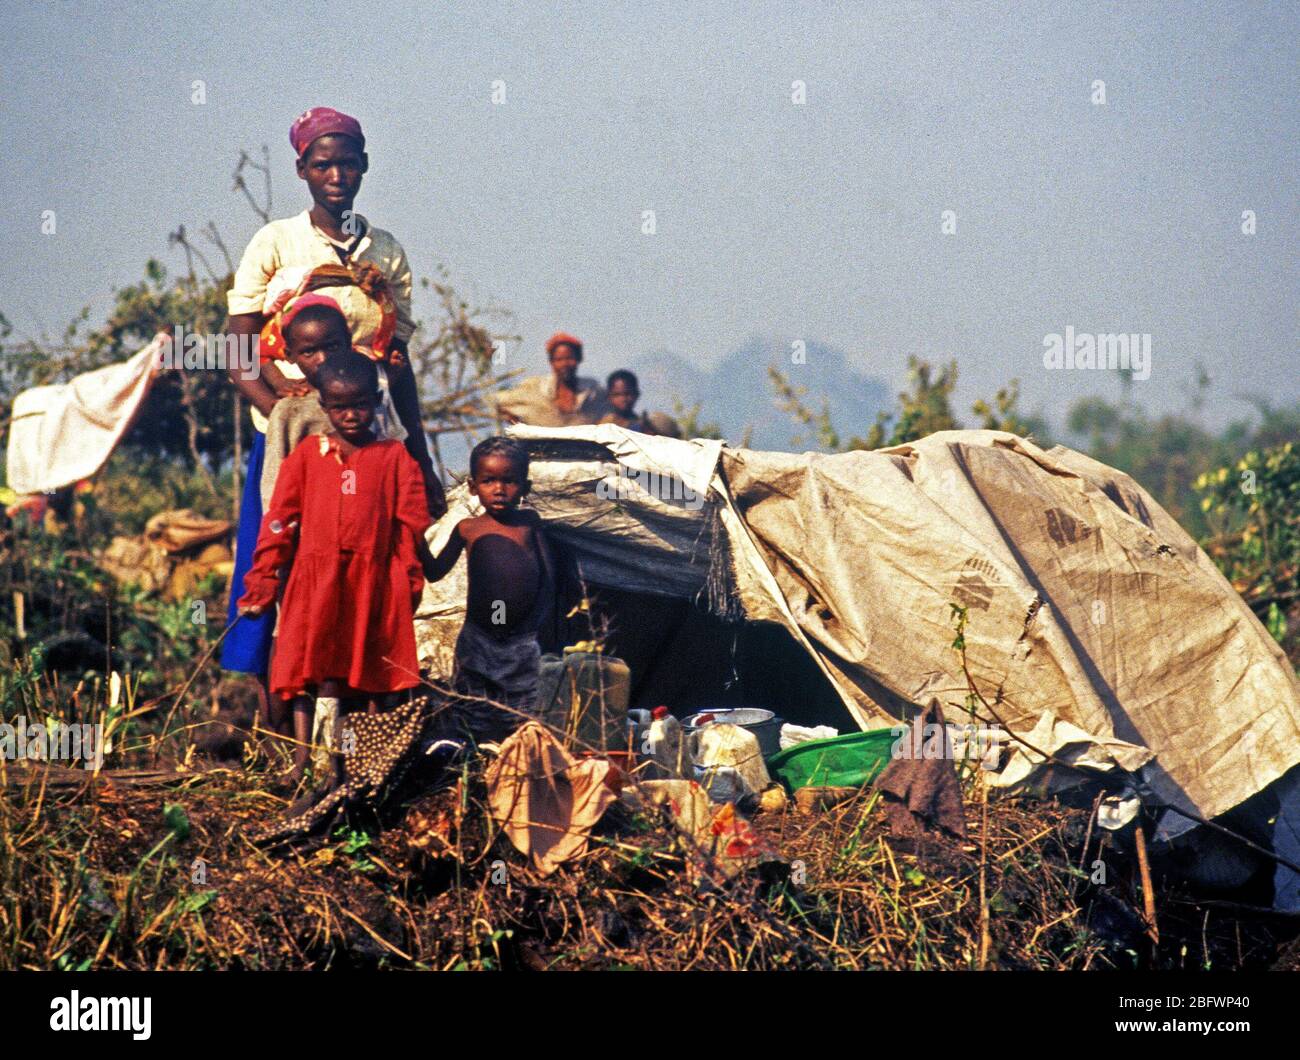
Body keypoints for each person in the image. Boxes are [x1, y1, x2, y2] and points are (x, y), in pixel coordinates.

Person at [221, 106, 444, 698]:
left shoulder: (386, 252)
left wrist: (418, 455)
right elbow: (237, 351)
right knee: (275, 556)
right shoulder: (275, 242)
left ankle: (354, 697)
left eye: (348, 163)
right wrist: (282, 411)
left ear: (364, 166)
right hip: (290, 438)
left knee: (363, 568)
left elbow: (396, 362)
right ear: (302, 170)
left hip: (371, 439)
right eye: (323, 164)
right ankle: (258, 704)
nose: (336, 175)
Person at [238, 352, 430, 783]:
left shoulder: (394, 457)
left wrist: (406, 581)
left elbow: (412, 523)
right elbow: (279, 520)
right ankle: (303, 763)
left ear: (377, 401)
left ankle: (347, 767)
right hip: (314, 580)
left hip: (370, 583)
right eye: (340, 406)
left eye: (360, 405)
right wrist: (264, 581)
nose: (351, 415)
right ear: (323, 405)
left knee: (357, 679)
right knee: (307, 671)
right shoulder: (307, 456)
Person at [423, 437, 555, 741]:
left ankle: (514, 761)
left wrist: (537, 626)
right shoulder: (467, 528)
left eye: (509, 481)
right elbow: (435, 572)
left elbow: (548, 579)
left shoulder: (529, 523)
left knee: (522, 711)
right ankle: (475, 761)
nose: (499, 489)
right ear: (472, 486)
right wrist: (416, 539)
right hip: (478, 636)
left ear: (525, 487)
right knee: (473, 708)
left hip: (522, 639)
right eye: (489, 480)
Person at [492, 332, 610, 427]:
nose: (565, 364)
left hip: (581, 453)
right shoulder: (535, 387)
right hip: (539, 452)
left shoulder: (592, 391)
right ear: (551, 362)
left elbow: (610, 408)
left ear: (579, 359)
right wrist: (518, 426)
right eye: (559, 359)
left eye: (570, 358)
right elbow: (497, 402)